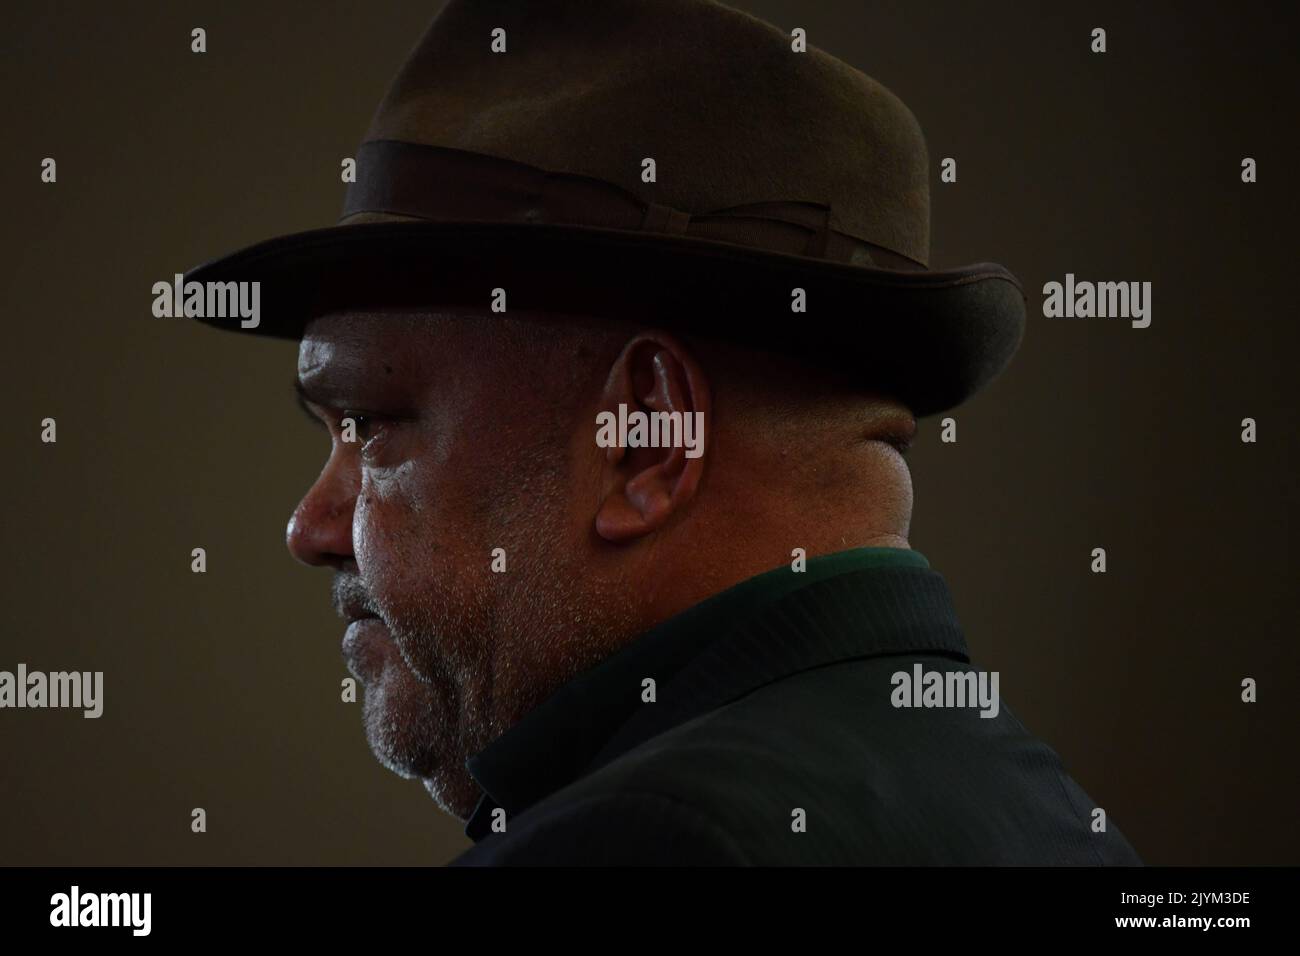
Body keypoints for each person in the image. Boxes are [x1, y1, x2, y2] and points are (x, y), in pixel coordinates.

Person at [186, 0, 1141, 865]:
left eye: (375, 430)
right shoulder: (1054, 819)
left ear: (646, 435)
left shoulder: (633, 849)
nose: (311, 527)